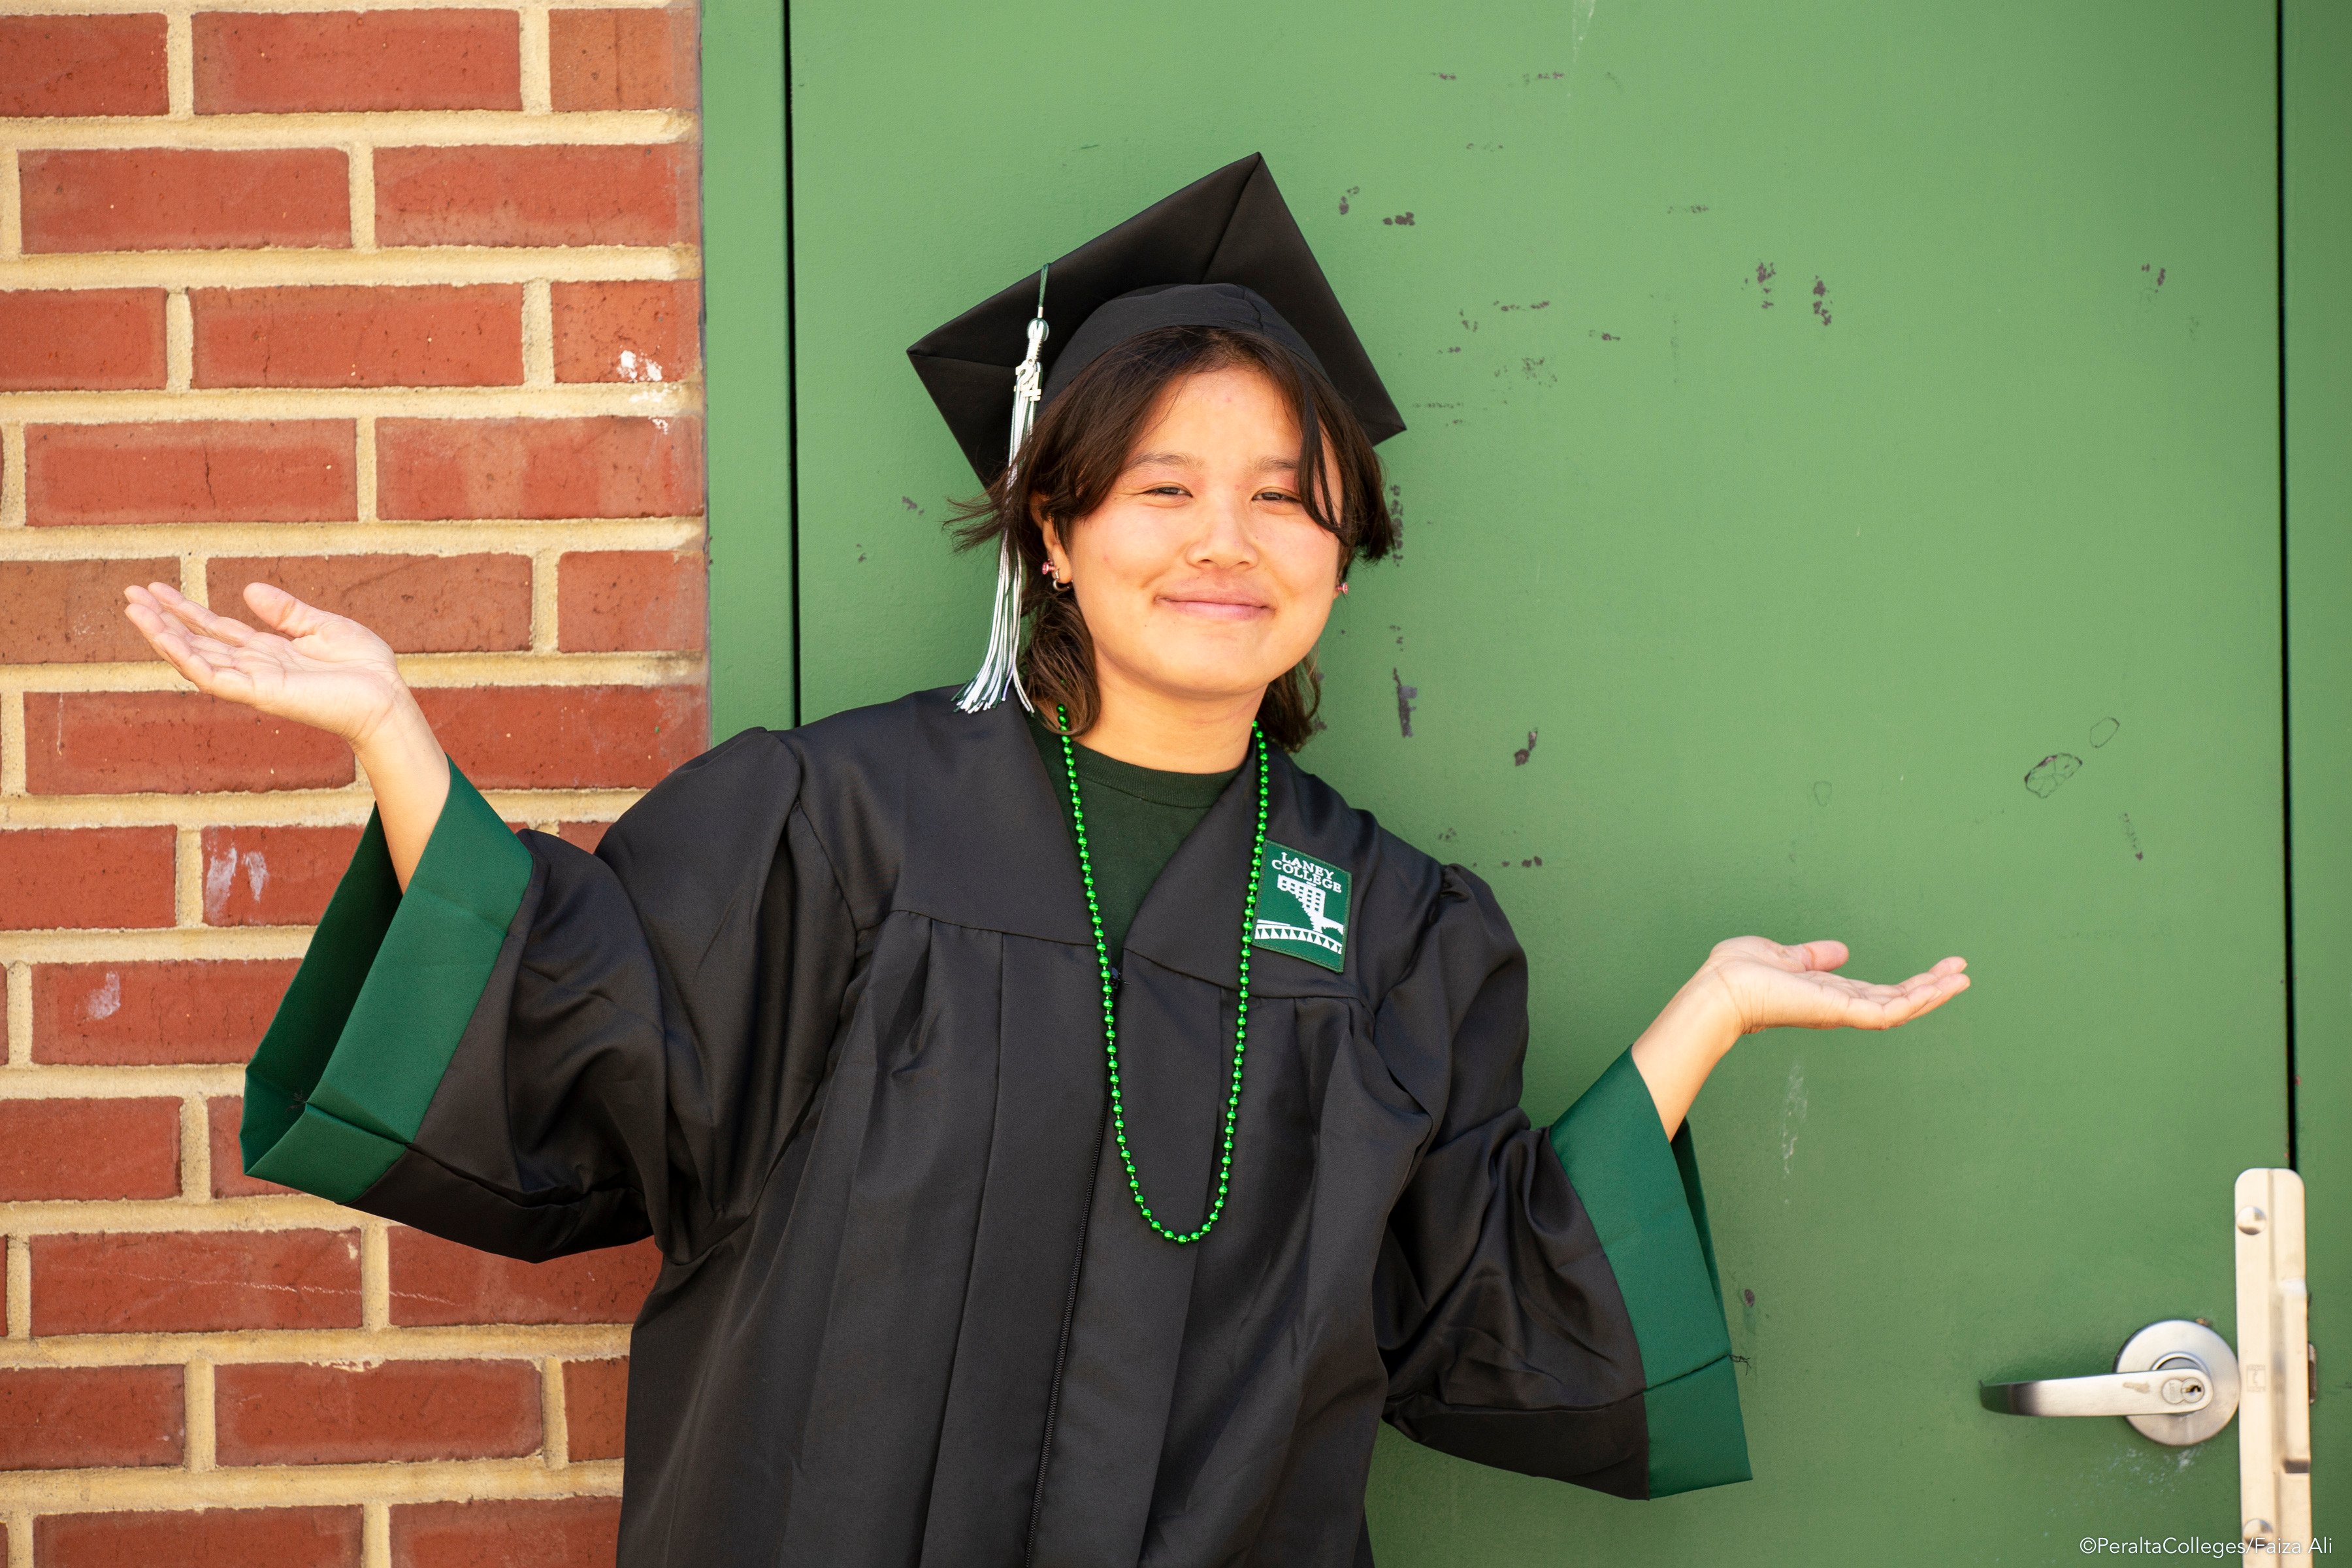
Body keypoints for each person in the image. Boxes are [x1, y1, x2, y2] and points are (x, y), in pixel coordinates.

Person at [121, 154, 1968, 1568]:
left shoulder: (1398, 933)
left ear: (1344, 551)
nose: (1225, 539)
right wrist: (398, 747)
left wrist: (1703, 1023)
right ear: (1054, 535)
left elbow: (1469, 1301)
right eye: (1162, 487)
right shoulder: (834, 824)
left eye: (1283, 496)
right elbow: (585, 1029)